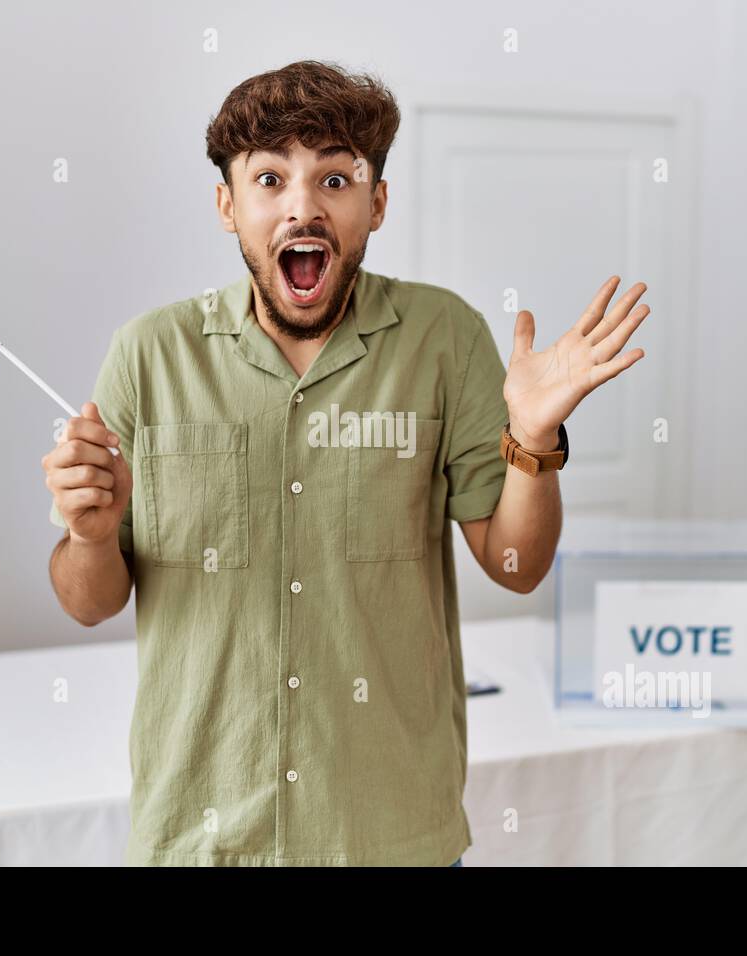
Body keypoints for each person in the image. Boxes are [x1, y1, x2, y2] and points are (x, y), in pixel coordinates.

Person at [43, 60, 649, 866]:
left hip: (391, 834)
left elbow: (516, 565)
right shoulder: (150, 355)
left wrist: (534, 443)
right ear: (228, 206)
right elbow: (90, 605)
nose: (303, 205)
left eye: (335, 177)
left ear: (376, 204)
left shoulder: (444, 337)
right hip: (203, 835)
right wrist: (90, 536)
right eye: (269, 179)